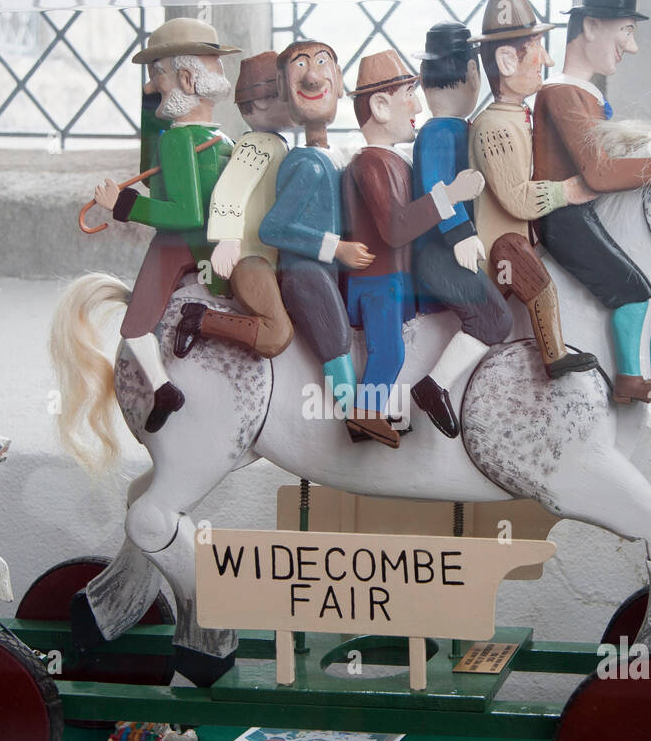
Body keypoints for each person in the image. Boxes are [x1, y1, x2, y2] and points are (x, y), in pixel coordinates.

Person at [533, 0, 651, 404]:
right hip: (564, 217)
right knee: (632, 286)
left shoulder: (584, 95)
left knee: (649, 276)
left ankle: (647, 363)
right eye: (626, 32)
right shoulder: (562, 94)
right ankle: (631, 378)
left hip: (588, 210)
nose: (630, 47)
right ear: (591, 26)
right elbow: (598, 172)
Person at [91, 18, 239, 431]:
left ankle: (164, 387)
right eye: (217, 66)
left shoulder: (187, 139)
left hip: (182, 245)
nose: (155, 85)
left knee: (136, 327)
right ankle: (168, 387)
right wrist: (149, 108)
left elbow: (181, 211)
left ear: (185, 79)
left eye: (158, 78)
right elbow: (162, 183)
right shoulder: (217, 139)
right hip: (208, 248)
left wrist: (123, 205)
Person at [341, 50, 485, 448]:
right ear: (381, 106)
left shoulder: (396, 162)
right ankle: (364, 416)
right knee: (389, 352)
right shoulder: (371, 163)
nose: (418, 105)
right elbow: (394, 227)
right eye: (409, 93)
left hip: (398, 279)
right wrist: (450, 194)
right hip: (376, 281)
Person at [468, 0, 598, 381]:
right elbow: (517, 200)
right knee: (539, 288)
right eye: (536, 49)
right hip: (501, 244)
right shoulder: (493, 127)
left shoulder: (518, 116)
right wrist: (568, 191)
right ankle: (553, 357)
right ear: (507, 61)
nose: (546, 58)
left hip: (521, 238)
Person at [258, 40, 372, 435]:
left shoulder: (334, 156)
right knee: (334, 332)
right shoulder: (306, 162)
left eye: (323, 63)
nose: (312, 75)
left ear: (339, 83)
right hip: (307, 272)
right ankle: (353, 415)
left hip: (330, 269)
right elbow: (273, 228)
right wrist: (335, 247)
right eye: (300, 68)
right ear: (284, 89)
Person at [408, 22, 513, 439]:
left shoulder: (462, 130)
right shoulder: (437, 132)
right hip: (439, 252)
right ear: (472, 74)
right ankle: (433, 387)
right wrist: (460, 233)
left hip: (457, 247)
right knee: (495, 318)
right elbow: (436, 189)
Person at [174, 51, 295, 360]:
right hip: (251, 257)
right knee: (276, 334)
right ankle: (201, 319)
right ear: (264, 102)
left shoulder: (277, 142)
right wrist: (229, 240)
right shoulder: (256, 145)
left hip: (270, 255)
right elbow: (230, 190)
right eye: (289, 92)